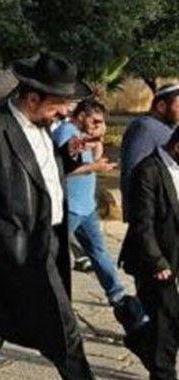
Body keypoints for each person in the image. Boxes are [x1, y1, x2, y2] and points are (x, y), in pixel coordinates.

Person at [0, 53, 103, 380]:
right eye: (60, 104)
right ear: (32, 98)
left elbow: (38, 176)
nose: (66, 113)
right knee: (64, 330)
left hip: (48, 237)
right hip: (16, 245)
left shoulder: (44, 128)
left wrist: (68, 155)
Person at [119, 127, 179, 380]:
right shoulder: (148, 171)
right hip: (151, 256)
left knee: (167, 315)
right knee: (166, 314)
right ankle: (163, 374)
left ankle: (140, 337)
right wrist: (158, 263)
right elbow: (142, 224)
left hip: (174, 251)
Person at [52, 100, 127, 310]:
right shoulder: (67, 132)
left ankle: (117, 294)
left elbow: (94, 156)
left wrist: (98, 140)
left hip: (86, 206)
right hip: (71, 206)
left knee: (99, 251)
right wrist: (95, 167)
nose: (96, 125)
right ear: (82, 115)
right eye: (95, 120)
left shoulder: (81, 133)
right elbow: (63, 169)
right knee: (54, 253)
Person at [120, 84, 179, 221]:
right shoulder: (145, 128)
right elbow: (134, 171)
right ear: (162, 106)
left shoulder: (167, 127)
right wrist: (139, 213)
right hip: (151, 213)